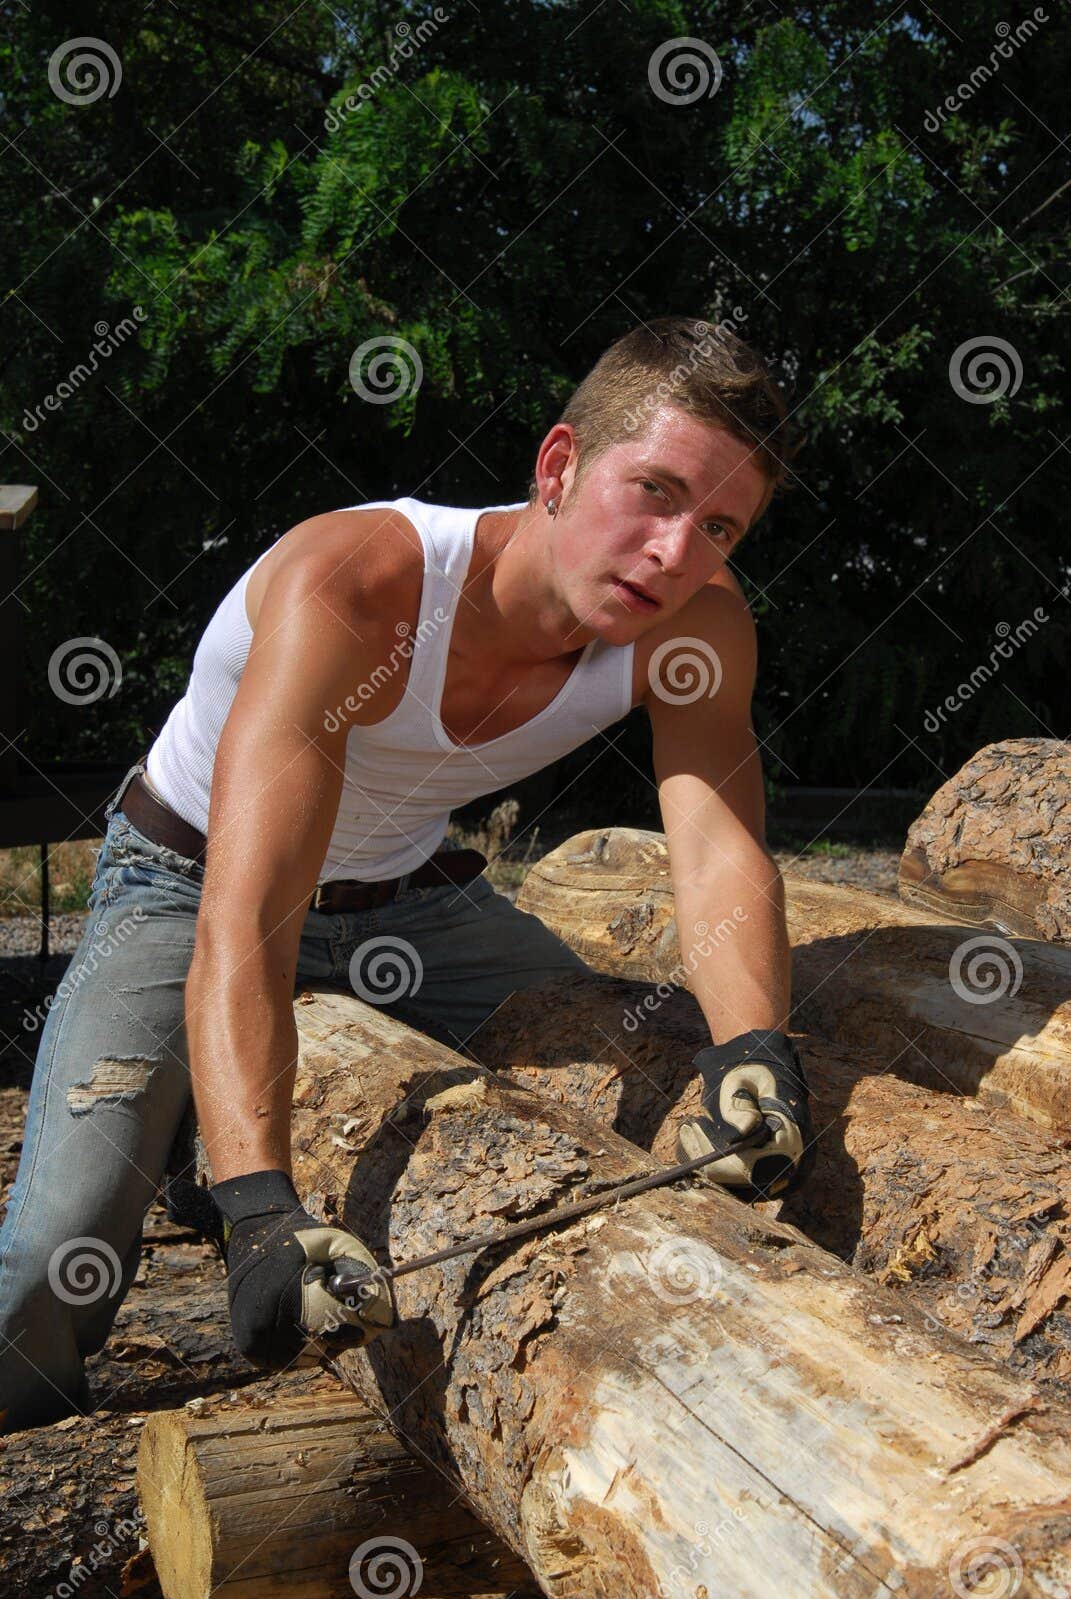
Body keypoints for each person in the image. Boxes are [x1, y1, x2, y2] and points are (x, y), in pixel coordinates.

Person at [0, 315, 814, 1434]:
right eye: (657, 492)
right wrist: (257, 1210)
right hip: (192, 881)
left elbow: (719, 842)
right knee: (55, 1256)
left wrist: (755, 1053)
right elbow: (246, 921)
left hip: (417, 894)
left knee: (673, 1065)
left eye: (719, 525)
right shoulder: (360, 583)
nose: (677, 552)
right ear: (560, 466)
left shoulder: (702, 628)